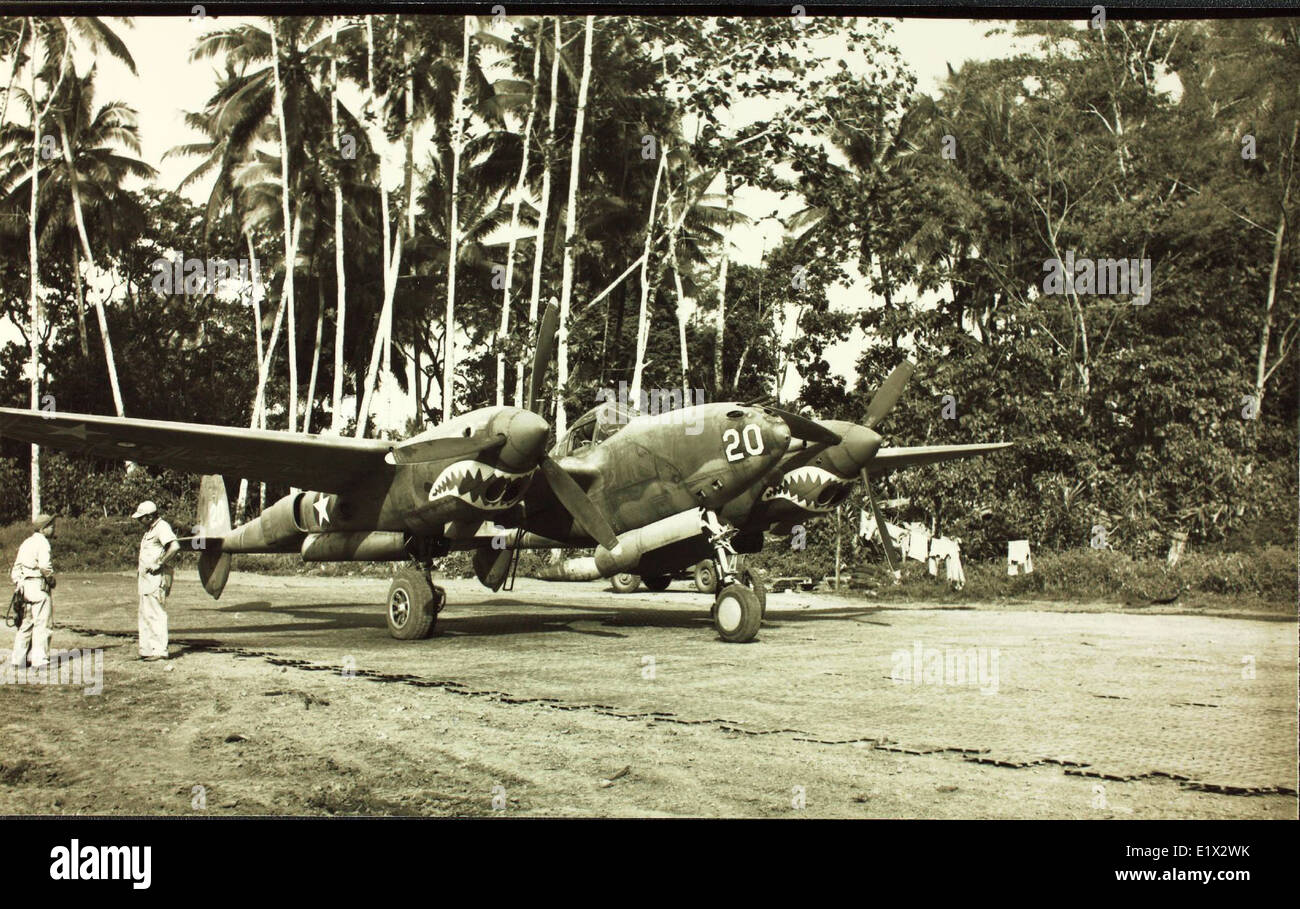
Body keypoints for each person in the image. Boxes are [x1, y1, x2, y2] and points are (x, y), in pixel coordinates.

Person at [133, 501, 180, 661]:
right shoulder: (150, 530)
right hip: (146, 580)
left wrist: (160, 563)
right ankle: (147, 649)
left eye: (142, 518)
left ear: (150, 516)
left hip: (156, 579)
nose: (139, 521)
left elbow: (174, 546)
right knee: (145, 614)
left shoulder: (162, 527)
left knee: (156, 614)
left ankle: (159, 650)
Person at [9, 513, 56, 669]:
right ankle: (40, 660)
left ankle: (18, 659)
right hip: (39, 586)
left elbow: (16, 569)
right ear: (43, 529)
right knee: (42, 624)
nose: (53, 528)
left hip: (25, 588)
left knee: (26, 624)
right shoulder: (43, 543)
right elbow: (45, 567)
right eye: (50, 526)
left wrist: (19, 585)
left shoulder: (26, 543)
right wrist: (51, 579)